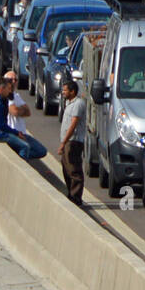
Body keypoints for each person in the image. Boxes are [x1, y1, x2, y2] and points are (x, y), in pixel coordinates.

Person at [0, 75, 48, 162]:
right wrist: (16, 133)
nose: (10, 91)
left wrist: (6, 100)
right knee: (25, 146)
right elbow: (1, 125)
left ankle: (18, 153)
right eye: (8, 89)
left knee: (40, 150)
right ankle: (21, 162)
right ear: (1, 88)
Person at [57, 77, 86, 206]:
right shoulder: (69, 103)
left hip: (73, 141)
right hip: (67, 141)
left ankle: (76, 196)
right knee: (66, 167)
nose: (63, 92)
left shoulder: (78, 104)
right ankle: (70, 193)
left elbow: (74, 124)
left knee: (74, 169)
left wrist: (64, 142)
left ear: (73, 91)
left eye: (65, 90)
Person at [3, 70, 32, 135]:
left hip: (22, 133)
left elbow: (28, 112)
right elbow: (14, 111)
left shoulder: (16, 96)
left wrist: (18, 110)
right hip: (13, 133)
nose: (13, 82)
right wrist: (21, 109)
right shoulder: (5, 95)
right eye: (10, 80)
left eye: (15, 80)